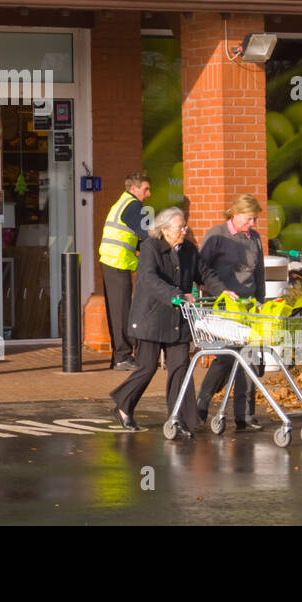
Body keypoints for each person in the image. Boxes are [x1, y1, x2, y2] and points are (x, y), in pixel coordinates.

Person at [109, 207, 222, 439]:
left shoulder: (189, 249)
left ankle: (180, 420)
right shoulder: (150, 247)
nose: (185, 230)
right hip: (150, 317)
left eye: (184, 226)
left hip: (178, 321)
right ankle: (123, 405)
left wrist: (224, 291)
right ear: (164, 229)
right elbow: (149, 279)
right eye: (180, 227)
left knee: (181, 368)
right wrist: (176, 294)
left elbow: (205, 275)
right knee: (147, 367)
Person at [195, 194, 267, 431]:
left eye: (255, 219)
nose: (253, 224)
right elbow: (202, 270)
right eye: (249, 219)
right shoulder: (217, 235)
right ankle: (201, 404)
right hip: (223, 306)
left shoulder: (254, 238)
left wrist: (260, 300)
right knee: (227, 357)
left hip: (248, 307)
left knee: (251, 357)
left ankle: (244, 415)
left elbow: (259, 274)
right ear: (235, 214)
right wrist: (217, 293)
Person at [98, 171, 151, 371]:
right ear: (134, 188)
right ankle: (121, 357)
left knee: (118, 310)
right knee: (121, 311)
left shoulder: (122, 203)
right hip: (117, 262)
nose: (148, 194)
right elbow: (147, 234)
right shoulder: (133, 205)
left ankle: (119, 357)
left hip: (113, 261)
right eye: (145, 189)